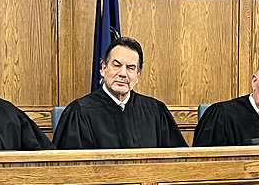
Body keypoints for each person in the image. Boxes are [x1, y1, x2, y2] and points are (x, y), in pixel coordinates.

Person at [52, 36, 186, 149]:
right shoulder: (79, 113)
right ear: (103, 68)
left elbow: (177, 163)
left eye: (130, 68)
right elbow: (69, 170)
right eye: (117, 65)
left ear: (138, 75)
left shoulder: (156, 111)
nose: (123, 74)